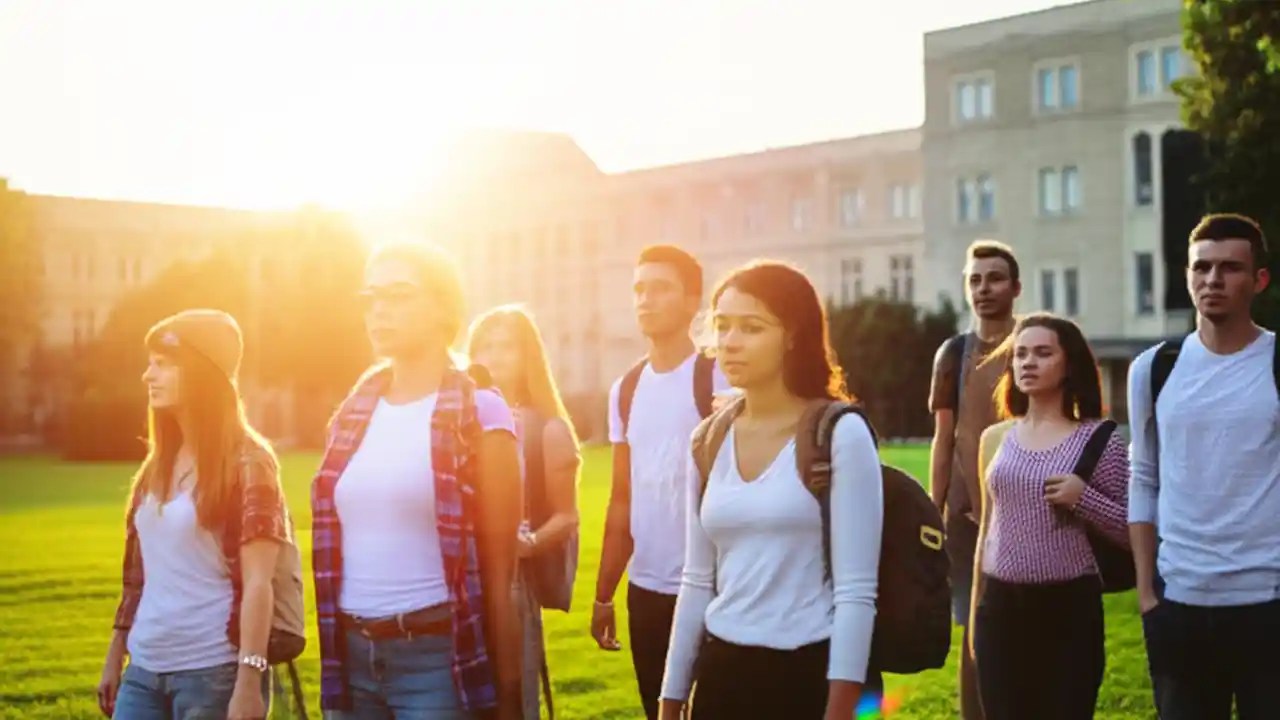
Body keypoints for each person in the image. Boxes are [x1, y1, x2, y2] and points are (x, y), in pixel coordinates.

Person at [656, 260, 882, 719]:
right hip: (722, 676)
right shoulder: (706, 441)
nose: (730, 341)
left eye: (751, 327)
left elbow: (857, 592)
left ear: (793, 335)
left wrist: (840, 711)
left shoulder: (839, 433)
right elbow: (696, 580)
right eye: (722, 325)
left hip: (807, 674)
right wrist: (670, 700)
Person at [311, 243, 524, 719]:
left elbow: (499, 577)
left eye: (399, 294)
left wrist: (508, 696)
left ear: (443, 307)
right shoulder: (352, 414)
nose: (379, 309)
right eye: (370, 297)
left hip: (436, 660)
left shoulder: (480, 412)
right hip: (352, 656)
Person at [99, 309, 287, 720]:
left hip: (212, 673)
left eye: (163, 364)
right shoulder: (157, 465)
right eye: (150, 363)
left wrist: (249, 680)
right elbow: (138, 578)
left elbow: (259, 583)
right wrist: (116, 655)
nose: (148, 375)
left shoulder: (249, 463)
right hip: (144, 670)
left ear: (203, 374)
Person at [1128, 213, 1280, 719]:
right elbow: (1143, 477)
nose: (1213, 279)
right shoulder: (1153, 368)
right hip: (1180, 605)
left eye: (1230, 268)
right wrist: (1146, 592)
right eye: (1202, 267)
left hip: (1268, 602)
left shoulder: (1273, 361)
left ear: (1259, 279)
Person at [591, 245, 730, 719]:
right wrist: (604, 593)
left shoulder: (717, 378)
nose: (645, 299)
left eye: (660, 288)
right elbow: (622, 498)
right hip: (647, 593)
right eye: (639, 289)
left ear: (692, 302)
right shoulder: (626, 389)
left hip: (715, 587)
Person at [969, 313, 1130, 720]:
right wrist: (975, 616)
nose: (1028, 362)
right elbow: (987, 530)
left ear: (1069, 364)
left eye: (1043, 353)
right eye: (1021, 354)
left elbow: (1135, 533)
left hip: (1068, 610)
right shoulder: (995, 438)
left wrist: (1085, 499)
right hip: (1000, 609)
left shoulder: (1100, 441)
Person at [467, 305, 582, 719]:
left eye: (506, 347)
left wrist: (528, 543)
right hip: (460, 581)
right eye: (484, 346)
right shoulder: (457, 420)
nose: (494, 356)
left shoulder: (547, 429)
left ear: (527, 356)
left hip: (513, 581)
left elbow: (567, 516)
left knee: (511, 699)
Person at [928, 239, 1020, 720]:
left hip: (1028, 514)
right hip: (966, 519)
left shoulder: (1032, 346)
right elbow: (943, 438)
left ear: (1016, 287)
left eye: (995, 278)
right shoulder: (952, 354)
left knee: (1024, 628)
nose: (984, 289)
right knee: (973, 629)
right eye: (975, 280)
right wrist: (934, 509)